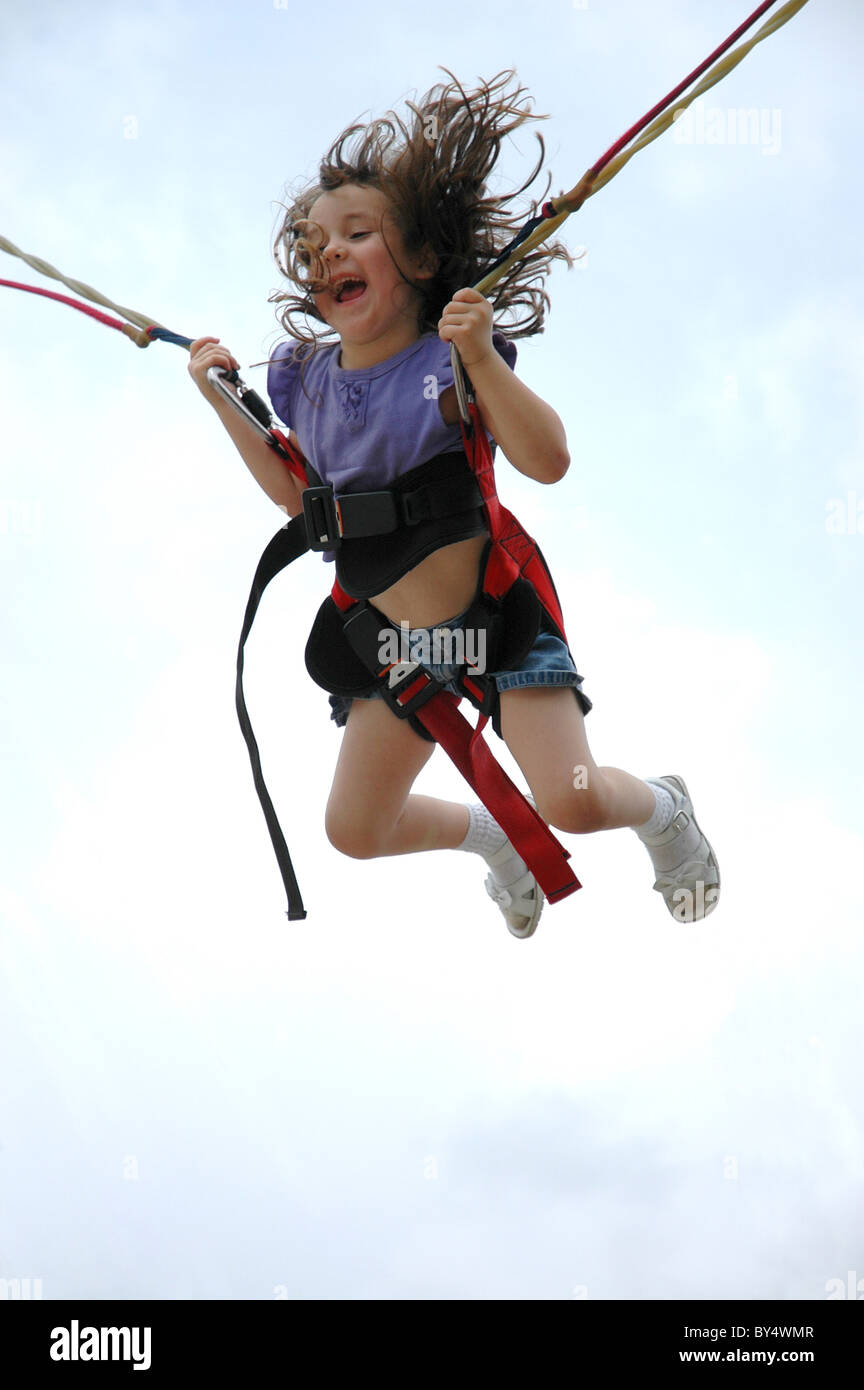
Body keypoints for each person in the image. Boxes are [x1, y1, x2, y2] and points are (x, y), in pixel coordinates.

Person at [187, 69, 719, 937]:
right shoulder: (304, 382)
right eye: (316, 243)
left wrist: (482, 359)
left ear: (423, 260)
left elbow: (547, 461)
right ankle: (488, 839)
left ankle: (664, 809)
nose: (330, 254)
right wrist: (226, 406)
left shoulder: (450, 357)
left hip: (493, 617)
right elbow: (300, 501)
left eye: (357, 234)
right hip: (397, 643)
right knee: (353, 832)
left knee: (573, 804)